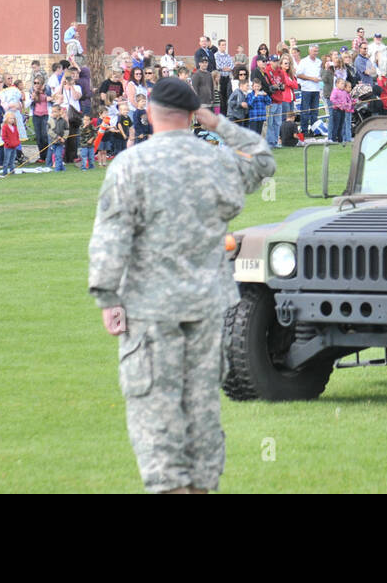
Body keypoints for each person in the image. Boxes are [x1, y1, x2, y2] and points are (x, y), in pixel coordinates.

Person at [88, 77, 275, 494]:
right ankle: (201, 485)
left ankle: (169, 486)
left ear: (149, 113)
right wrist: (219, 124)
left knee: (155, 405)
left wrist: (107, 297)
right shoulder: (217, 160)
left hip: (150, 307)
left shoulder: (131, 165)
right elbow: (263, 158)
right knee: (202, 404)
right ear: (193, 116)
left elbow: (110, 237)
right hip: (209, 304)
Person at [294, 43, 322, 138]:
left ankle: (314, 129)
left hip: (316, 89)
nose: (316, 53)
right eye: (314, 51)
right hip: (306, 89)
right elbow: (299, 74)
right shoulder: (304, 61)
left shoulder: (319, 62)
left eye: (317, 51)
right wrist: (311, 78)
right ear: (309, 51)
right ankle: (304, 130)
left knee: (315, 111)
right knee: (305, 111)